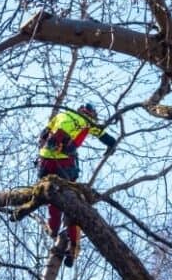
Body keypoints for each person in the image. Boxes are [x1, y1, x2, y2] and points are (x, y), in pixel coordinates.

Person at [37, 103, 116, 266]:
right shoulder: (87, 122)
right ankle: (73, 247)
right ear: (91, 113)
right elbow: (103, 136)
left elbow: (43, 134)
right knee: (73, 203)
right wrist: (112, 143)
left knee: (52, 198)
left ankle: (53, 228)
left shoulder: (61, 116)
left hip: (44, 162)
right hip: (65, 164)